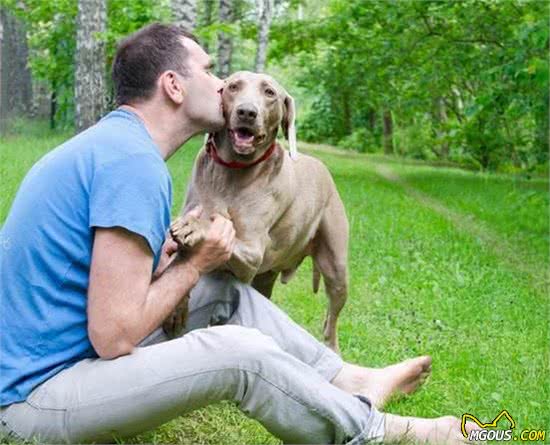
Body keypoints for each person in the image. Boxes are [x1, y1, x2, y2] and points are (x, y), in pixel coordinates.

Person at [0, 23, 478, 444]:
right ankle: (378, 432)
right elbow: (113, 335)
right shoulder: (131, 164)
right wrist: (194, 262)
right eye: (209, 72)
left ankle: (349, 378)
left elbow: (106, 288)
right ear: (173, 86)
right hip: (34, 398)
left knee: (222, 290)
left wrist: (184, 264)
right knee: (239, 352)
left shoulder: (117, 146)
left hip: (57, 362)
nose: (221, 84)